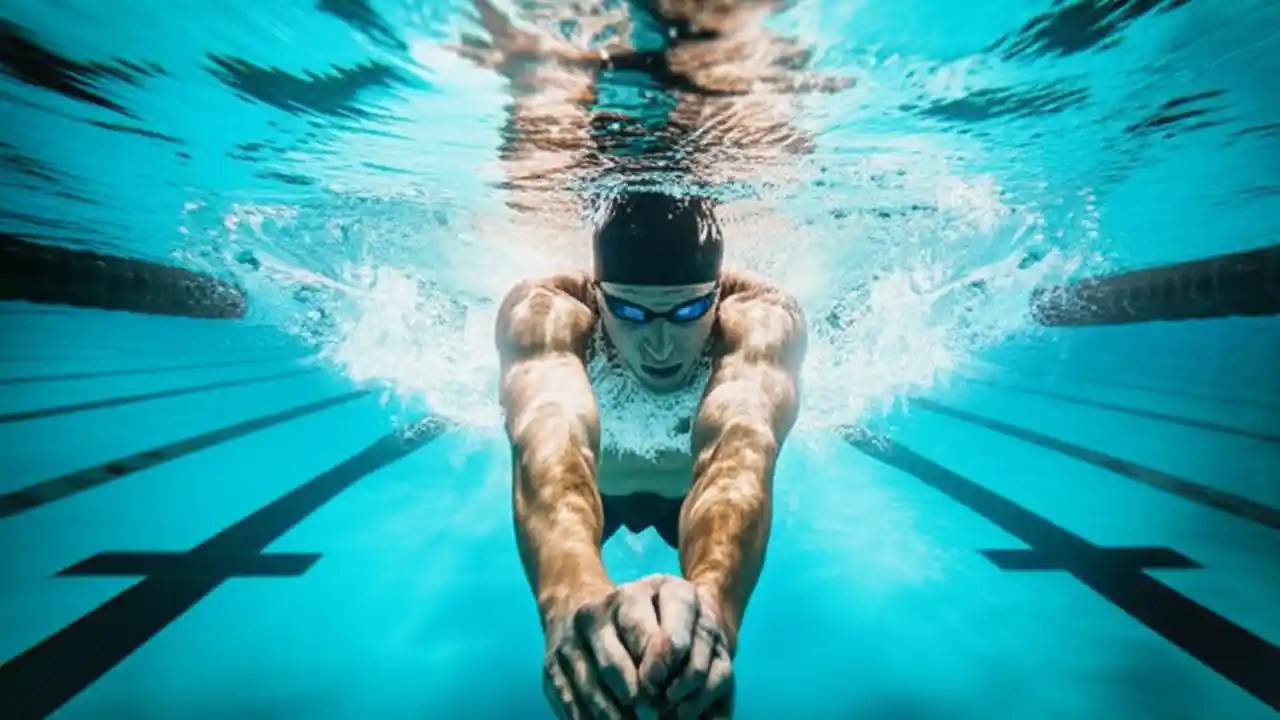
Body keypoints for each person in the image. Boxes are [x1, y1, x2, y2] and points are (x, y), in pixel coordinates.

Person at [495, 190, 806, 719]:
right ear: (597, 295)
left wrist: (717, 607)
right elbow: (549, 431)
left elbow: (742, 440)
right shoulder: (545, 312)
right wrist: (567, 597)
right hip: (597, 494)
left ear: (717, 292)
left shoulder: (761, 318)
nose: (660, 344)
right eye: (630, 311)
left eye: (687, 310)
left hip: (691, 501)